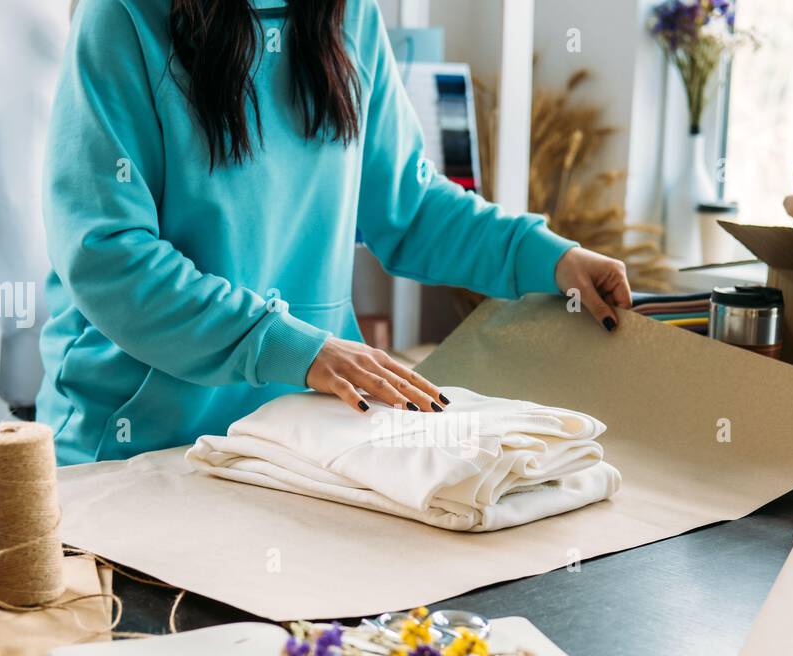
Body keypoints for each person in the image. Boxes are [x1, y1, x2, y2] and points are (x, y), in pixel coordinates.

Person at [39, 0, 632, 463]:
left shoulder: (349, 15)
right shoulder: (121, 18)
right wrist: (291, 346)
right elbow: (108, 255)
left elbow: (409, 205)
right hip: (135, 445)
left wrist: (550, 258)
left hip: (300, 442)